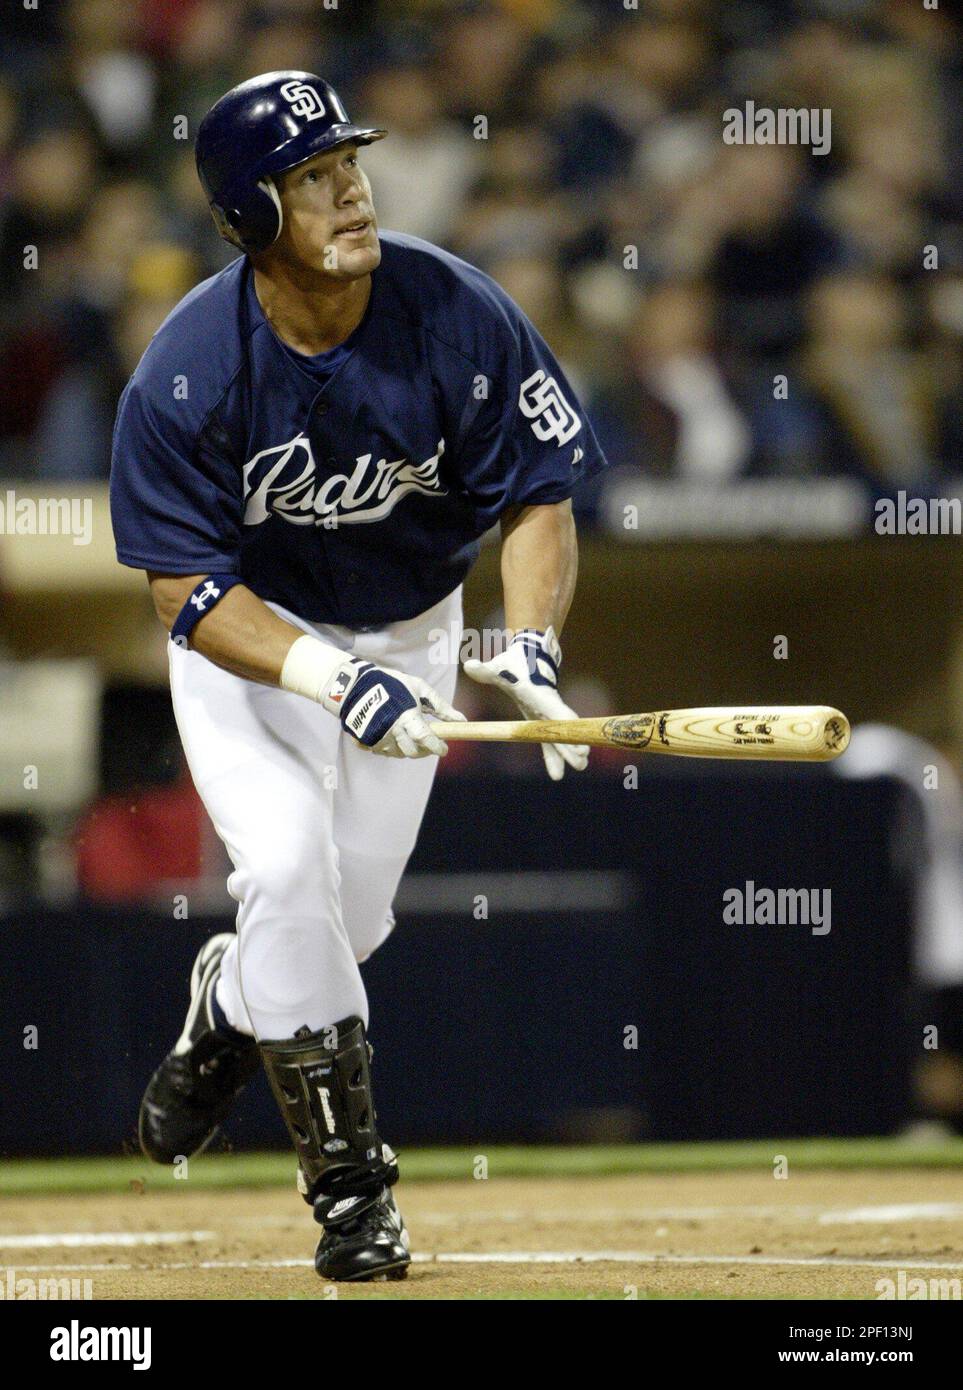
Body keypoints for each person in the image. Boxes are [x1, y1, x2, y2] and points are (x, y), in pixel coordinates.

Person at [109, 72, 607, 1281]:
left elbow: (540, 490)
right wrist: (332, 681)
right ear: (252, 216)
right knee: (285, 868)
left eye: (349, 166)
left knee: (352, 921)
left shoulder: (458, 309)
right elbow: (185, 593)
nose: (351, 190)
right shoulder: (186, 371)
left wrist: (529, 641)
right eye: (313, 177)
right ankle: (354, 1197)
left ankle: (230, 998)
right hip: (256, 646)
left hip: (415, 626)